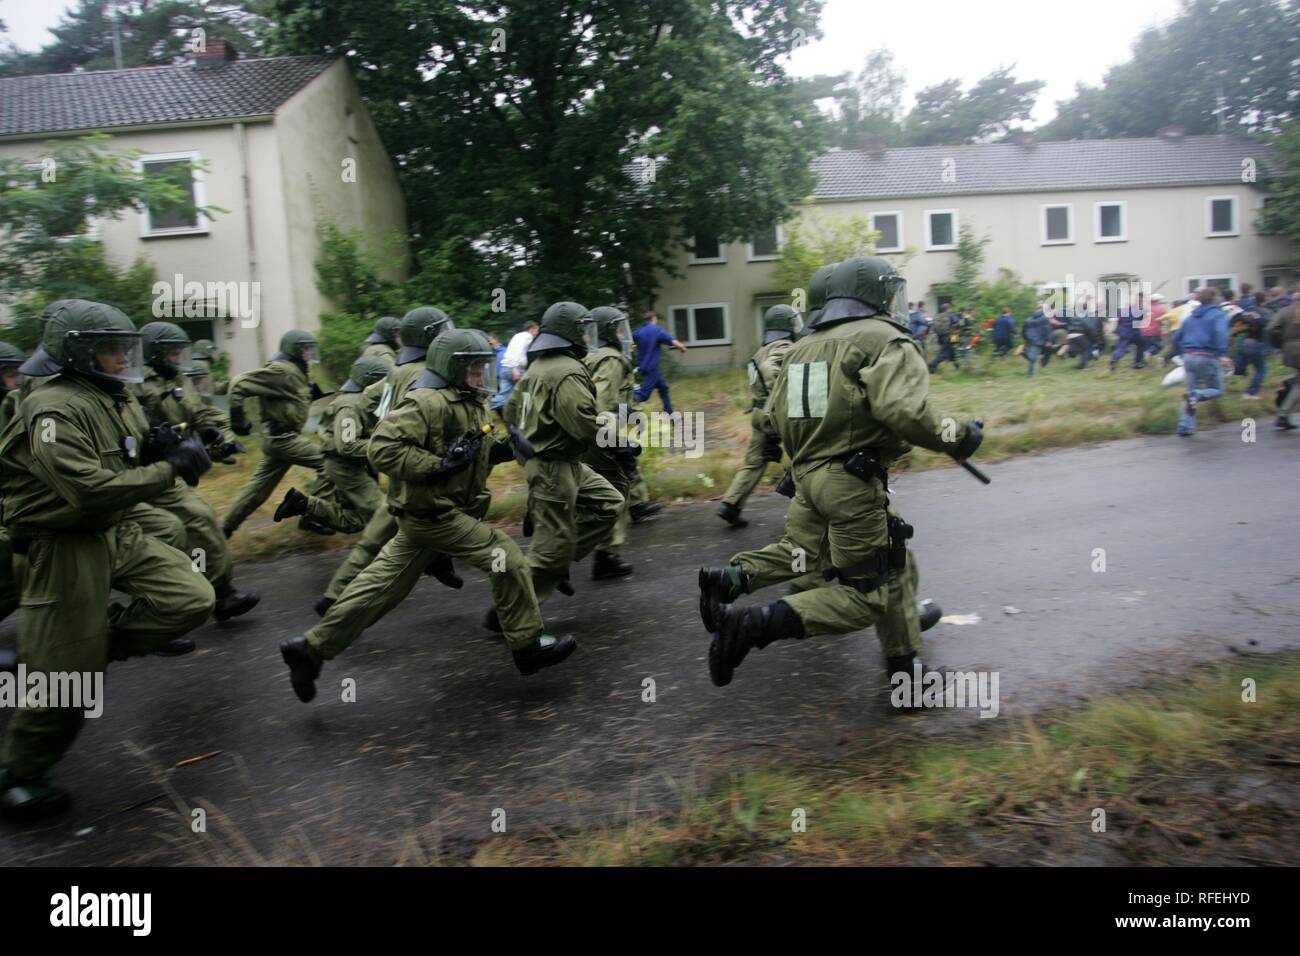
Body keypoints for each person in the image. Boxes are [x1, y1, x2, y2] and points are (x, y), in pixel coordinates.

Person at [696, 257, 975, 701]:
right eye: (888, 294)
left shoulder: (804, 346)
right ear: (872, 296)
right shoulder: (881, 338)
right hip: (852, 480)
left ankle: (908, 675)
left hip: (809, 476)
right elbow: (904, 411)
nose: (892, 303)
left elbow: (772, 417)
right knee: (868, 594)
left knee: (858, 560)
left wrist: (805, 462)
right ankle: (749, 626)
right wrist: (959, 437)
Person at [278, 329, 578, 702]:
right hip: (434, 514)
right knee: (507, 556)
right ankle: (528, 645)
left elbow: (468, 452)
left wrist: (504, 449)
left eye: (482, 368)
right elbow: (382, 450)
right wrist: (436, 465)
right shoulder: (426, 402)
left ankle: (309, 649)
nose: (479, 376)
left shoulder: (467, 400)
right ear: (451, 368)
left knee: (379, 589)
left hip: (425, 517)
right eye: (472, 369)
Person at [0, 300, 215, 821]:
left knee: (190, 597)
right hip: (62, 542)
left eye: (125, 348)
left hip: (111, 529)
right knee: (65, 687)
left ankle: (86, 650)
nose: (123, 359)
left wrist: (157, 446)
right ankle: (20, 775)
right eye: (112, 349)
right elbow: (88, 491)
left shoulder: (110, 396)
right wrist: (168, 469)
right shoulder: (51, 406)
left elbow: (125, 453)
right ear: (79, 352)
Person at [314, 307, 459, 616]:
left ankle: (332, 598)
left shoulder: (396, 372)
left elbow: (364, 401)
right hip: (423, 469)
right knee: (448, 527)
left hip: (401, 471)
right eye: (442, 330)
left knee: (375, 537)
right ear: (430, 337)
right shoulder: (427, 375)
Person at [496, 302, 623, 621]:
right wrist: (619, 441)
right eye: (582, 329)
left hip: (561, 462)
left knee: (610, 503)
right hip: (553, 466)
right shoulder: (566, 370)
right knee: (549, 550)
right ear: (569, 333)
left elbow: (510, 413)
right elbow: (583, 423)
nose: (586, 336)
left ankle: (560, 561)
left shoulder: (537, 366)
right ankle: (510, 613)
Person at [133, 322, 260, 623]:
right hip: (142, 472)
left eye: (180, 353)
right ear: (154, 353)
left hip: (170, 468)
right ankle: (178, 603)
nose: (178, 359)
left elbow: (197, 413)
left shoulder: (178, 379)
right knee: (187, 524)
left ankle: (214, 592)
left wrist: (217, 437)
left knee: (198, 519)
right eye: (172, 353)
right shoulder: (135, 385)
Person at [220, 330, 330, 537]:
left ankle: (223, 528)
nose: (310, 353)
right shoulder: (282, 371)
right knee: (332, 463)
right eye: (306, 349)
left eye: (311, 349)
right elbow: (238, 383)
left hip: (280, 439)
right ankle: (311, 515)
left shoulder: (298, 372)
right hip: (283, 439)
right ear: (294, 351)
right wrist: (236, 417)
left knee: (257, 491)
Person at [271, 355, 391, 533]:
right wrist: (386, 446)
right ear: (371, 381)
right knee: (385, 516)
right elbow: (348, 445)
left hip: (349, 465)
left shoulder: (362, 401)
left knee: (354, 522)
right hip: (344, 468)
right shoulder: (350, 406)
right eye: (383, 380)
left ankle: (303, 505)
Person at [717, 304, 799, 528]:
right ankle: (792, 482)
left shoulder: (760, 350)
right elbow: (769, 369)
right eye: (793, 322)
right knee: (806, 450)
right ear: (785, 326)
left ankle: (731, 504)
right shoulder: (784, 346)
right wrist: (779, 397)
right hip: (776, 413)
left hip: (758, 413)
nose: (796, 327)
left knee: (753, 462)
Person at [581, 306, 639, 579]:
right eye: (618, 328)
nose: (622, 334)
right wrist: (615, 442)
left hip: (593, 432)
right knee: (616, 491)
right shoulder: (611, 359)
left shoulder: (590, 357)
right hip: (604, 435)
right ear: (607, 331)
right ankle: (605, 555)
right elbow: (603, 404)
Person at [1174, 288, 1230, 437]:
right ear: (1214, 298)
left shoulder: (1190, 318)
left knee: (1190, 393)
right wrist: (1223, 354)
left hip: (1188, 357)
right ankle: (1196, 395)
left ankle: (1185, 426)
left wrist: (1181, 353)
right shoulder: (1217, 315)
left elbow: (1176, 337)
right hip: (1207, 356)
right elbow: (1220, 334)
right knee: (1217, 390)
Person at [632, 311, 687, 413]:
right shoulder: (657, 330)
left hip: (643, 367)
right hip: (652, 368)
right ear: (654, 318)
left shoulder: (640, 332)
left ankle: (669, 412)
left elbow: (628, 338)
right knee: (643, 395)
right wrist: (682, 347)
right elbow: (672, 340)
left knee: (663, 388)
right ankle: (624, 402)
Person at [1268, 299, 1300, 430]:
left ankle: (1284, 414)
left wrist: (1279, 344)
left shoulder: (1285, 311)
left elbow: (1270, 329)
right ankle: (1283, 414)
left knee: (1298, 382)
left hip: (1289, 349)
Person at [496, 319, 538, 412]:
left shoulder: (517, 335)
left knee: (503, 397)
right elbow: (520, 350)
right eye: (536, 330)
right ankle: (524, 417)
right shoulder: (528, 336)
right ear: (531, 329)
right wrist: (516, 368)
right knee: (527, 394)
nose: (537, 333)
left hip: (505, 368)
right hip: (515, 369)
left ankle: (492, 412)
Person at [1022, 305, 1051, 376]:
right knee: (1033, 357)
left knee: (1033, 357)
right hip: (1038, 340)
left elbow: (1023, 331)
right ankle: (1023, 352)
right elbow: (1046, 330)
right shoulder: (1044, 318)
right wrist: (1048, 340)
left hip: (1029, 339)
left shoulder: (1028, 318)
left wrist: (1025, 338)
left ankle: (1030, 373)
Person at [927, 305, 957, 372]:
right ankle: (932, 365)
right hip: (948, 337)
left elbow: (933, 328)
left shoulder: (938, 316)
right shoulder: (951, 315)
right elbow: (955, 327)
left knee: (952, 352)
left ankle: (957, 366)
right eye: (950, 308)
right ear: (948, 309)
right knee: (944, 354)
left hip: (940, 337)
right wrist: (955, 340)